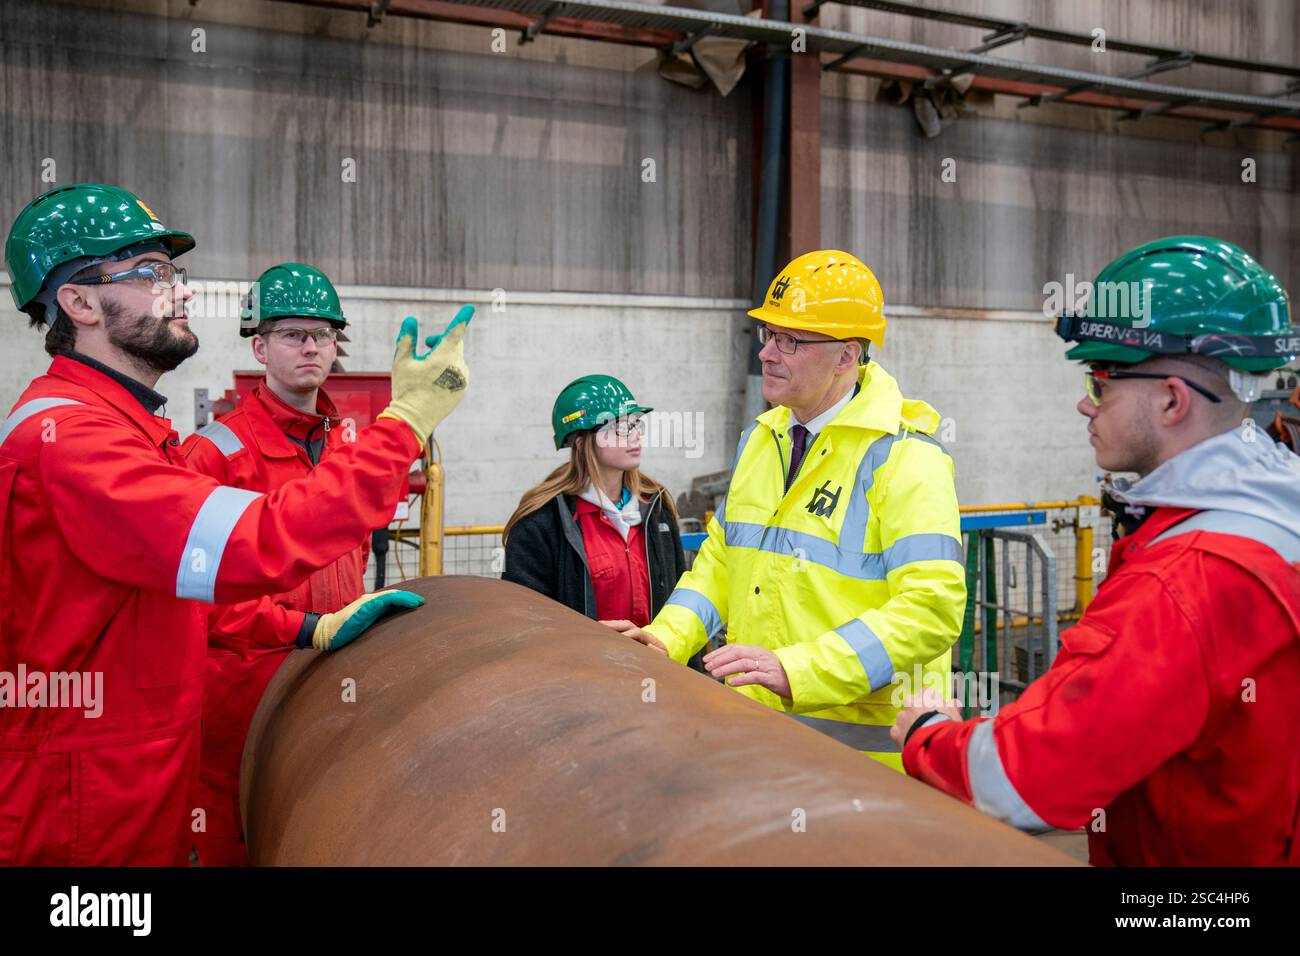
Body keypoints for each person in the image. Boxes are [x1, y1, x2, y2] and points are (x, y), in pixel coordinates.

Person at [0, 183, 471, 865]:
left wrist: (309, 627)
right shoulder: (74, 441)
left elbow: (189, 601)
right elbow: (251, 545)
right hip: (87, 810)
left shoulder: (130, 432)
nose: (183, 294)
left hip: (129, 780)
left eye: (176, 275)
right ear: (78, 301)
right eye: (154, 274)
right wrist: (405, 424)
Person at [893, 235, 1300, 865]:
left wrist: (928, 733)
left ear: (1171, 399)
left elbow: (1026, 779)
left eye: (1102, 379)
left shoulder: (1188, 577)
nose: (1086, 401)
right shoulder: (1270, 512)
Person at [605, 250, 966, 769]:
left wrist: (798, 670)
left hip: (869, 769)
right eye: (767, 335)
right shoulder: (762, 438)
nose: (768, 354)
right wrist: (665, 639)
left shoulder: (906, 457)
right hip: (758, 745)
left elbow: (932, 609)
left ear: (846, 356)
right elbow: (723, 561)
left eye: (790, 340)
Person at [180, 262, 379, 866]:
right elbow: (196, 601)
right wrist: (299, 627)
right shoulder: (213, 455)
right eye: (294, 334)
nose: (312, 346)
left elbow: (356, 555)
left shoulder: (347, 444)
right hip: (243, 694)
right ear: (259, 345)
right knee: (236, 843)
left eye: (323, 334)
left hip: (332, 678)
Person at [503, 376, 689, 648]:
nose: (635, 435)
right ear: (581, 440)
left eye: (635, 424)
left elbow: (679, 600)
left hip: (655, 673)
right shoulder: (541, 522)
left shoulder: (656, 509)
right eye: (619, 428)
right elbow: (523, 620)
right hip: (580, 680)